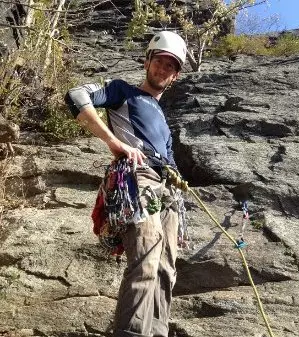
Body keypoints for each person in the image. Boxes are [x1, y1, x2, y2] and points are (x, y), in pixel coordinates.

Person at [65, 30, 187, 337]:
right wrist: (112, 140)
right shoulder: (122, 92)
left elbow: (169, 157)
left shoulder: (161, 116)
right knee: (146, 257)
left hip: (168, 190)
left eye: (171, 66)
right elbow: (77, 94)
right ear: (147, 62)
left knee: (166, 269)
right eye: (159, 61)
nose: (163, 69)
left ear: (175, 76)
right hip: (138, 178)